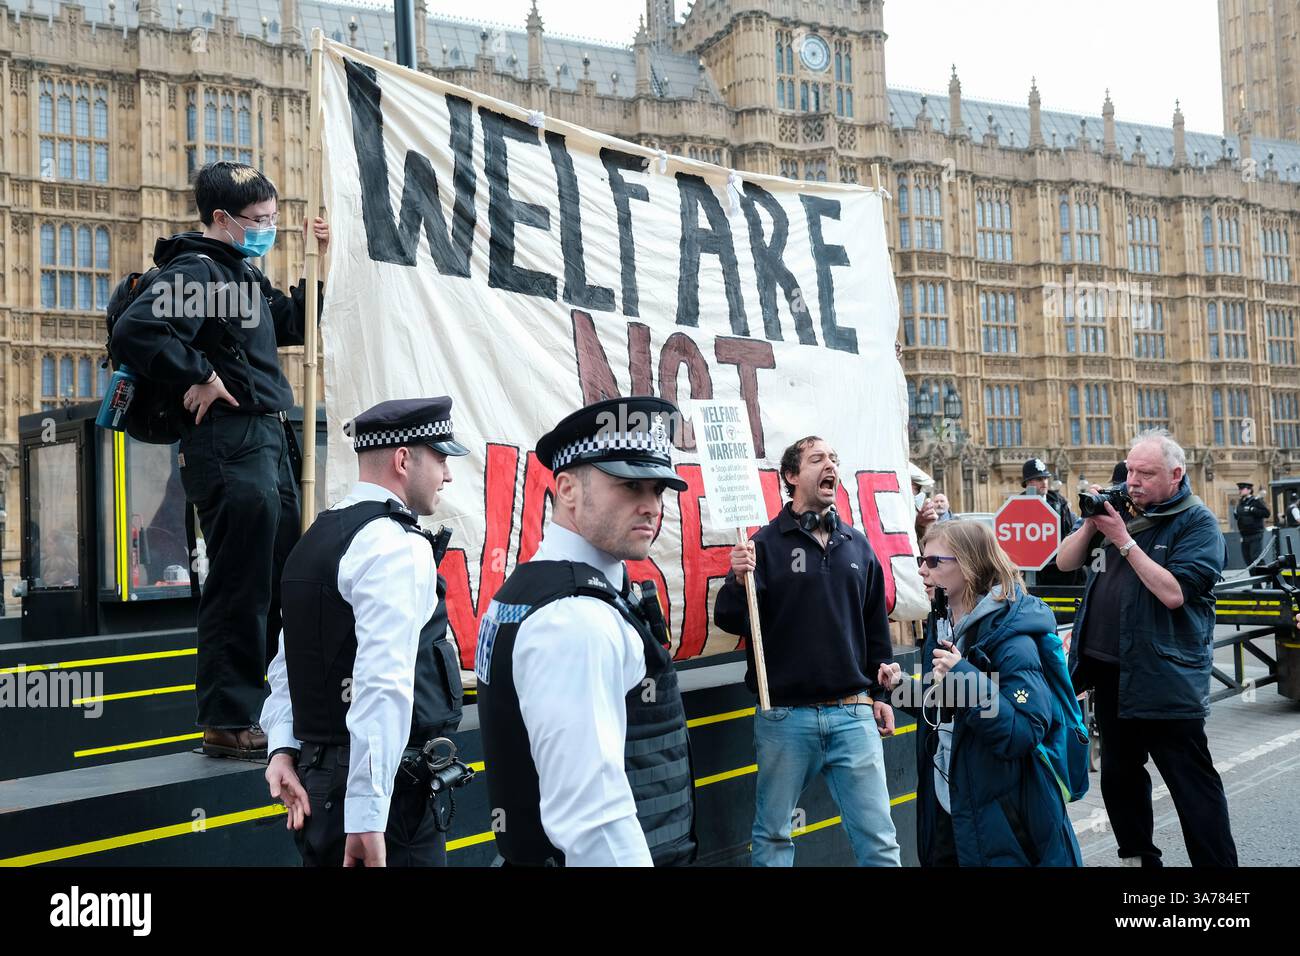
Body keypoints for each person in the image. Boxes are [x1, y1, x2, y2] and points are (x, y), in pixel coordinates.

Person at [110, 161, 329, 759]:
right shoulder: (198, 268)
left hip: (265, 440)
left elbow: (293, 325)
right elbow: (136, 333)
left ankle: (270, 710)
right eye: (259, 220)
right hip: (230, 444)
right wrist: (199, 372)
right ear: (221, 219)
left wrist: (318, 263)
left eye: (274, 219)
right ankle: (228, 720)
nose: (269, 229)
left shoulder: (240, 275)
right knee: (241, 581)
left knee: (282, 575)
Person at [476, 397, 696, 867]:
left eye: (658, 489)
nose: (651, 506)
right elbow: (594, 822)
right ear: (568, 490)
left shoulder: (543, 586)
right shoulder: (575, 618)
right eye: (630, 485)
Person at [260, 397, 469, 867]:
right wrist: (369, 818)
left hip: (316, 783)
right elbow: (382, 685)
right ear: (403, 459)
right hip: (386, 801)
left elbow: (288, 666)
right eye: (441, 457)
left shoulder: (318, 537)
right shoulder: (396, 546)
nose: (448, 475)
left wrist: (282, 750)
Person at [715, 436, 902, 867]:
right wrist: (736, 578)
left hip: (854, 714)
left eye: (834, 458)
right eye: (817, 459)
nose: (830, 465)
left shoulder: (857, 545)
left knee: (879, 840)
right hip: (784, 717)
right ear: (792, 477)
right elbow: (730, 619)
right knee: (774, 837)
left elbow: (876, 629)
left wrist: (882, 695)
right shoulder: (762, 546)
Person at [1056, 429, 1237, 867]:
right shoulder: (1123, 510)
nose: (1132, 480)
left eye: (1146, 473)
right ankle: (1138, 859)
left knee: (1190, 783)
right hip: (1110, 673)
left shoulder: (1197, 523)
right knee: (1120, 778)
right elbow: (1064, 563)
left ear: (1176, 475)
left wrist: (1122, 538)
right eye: (1130, 470)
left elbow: (1174, 593)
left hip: (1165, 676)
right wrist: (1091, 522)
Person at [910, 519, 1083, 866]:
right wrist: (896, 689)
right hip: (951, 809)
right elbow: (943, 708)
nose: (921, 571)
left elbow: (1023, 731)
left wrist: (964, 678)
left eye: (933, 562)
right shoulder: (943, 626)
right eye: (920, 559)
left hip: (1005, 820)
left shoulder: (1013, 640)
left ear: (969, 565)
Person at [1021, 458, 1084, 586]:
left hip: (1060, 568)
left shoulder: (1059, 502)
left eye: (1045, 478)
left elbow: (1070, 531)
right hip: (1034, 572)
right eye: (1039, 479)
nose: (1044, 482)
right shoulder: (1018, 504)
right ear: (1027, 483)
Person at [1234, 481, 1270, 567]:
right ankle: (1254, 579)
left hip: (1255, 534)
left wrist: (1252, 509)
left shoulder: (1255, 501)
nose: (1240, 491)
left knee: (1256, 558)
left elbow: (1266, 513)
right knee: (1248, 559)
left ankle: (1263, 578)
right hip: (1244, 535)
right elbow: (1238, 516)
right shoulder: (1241, 503)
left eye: (1242, 489)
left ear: (1249, 490)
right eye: (1240, 489)